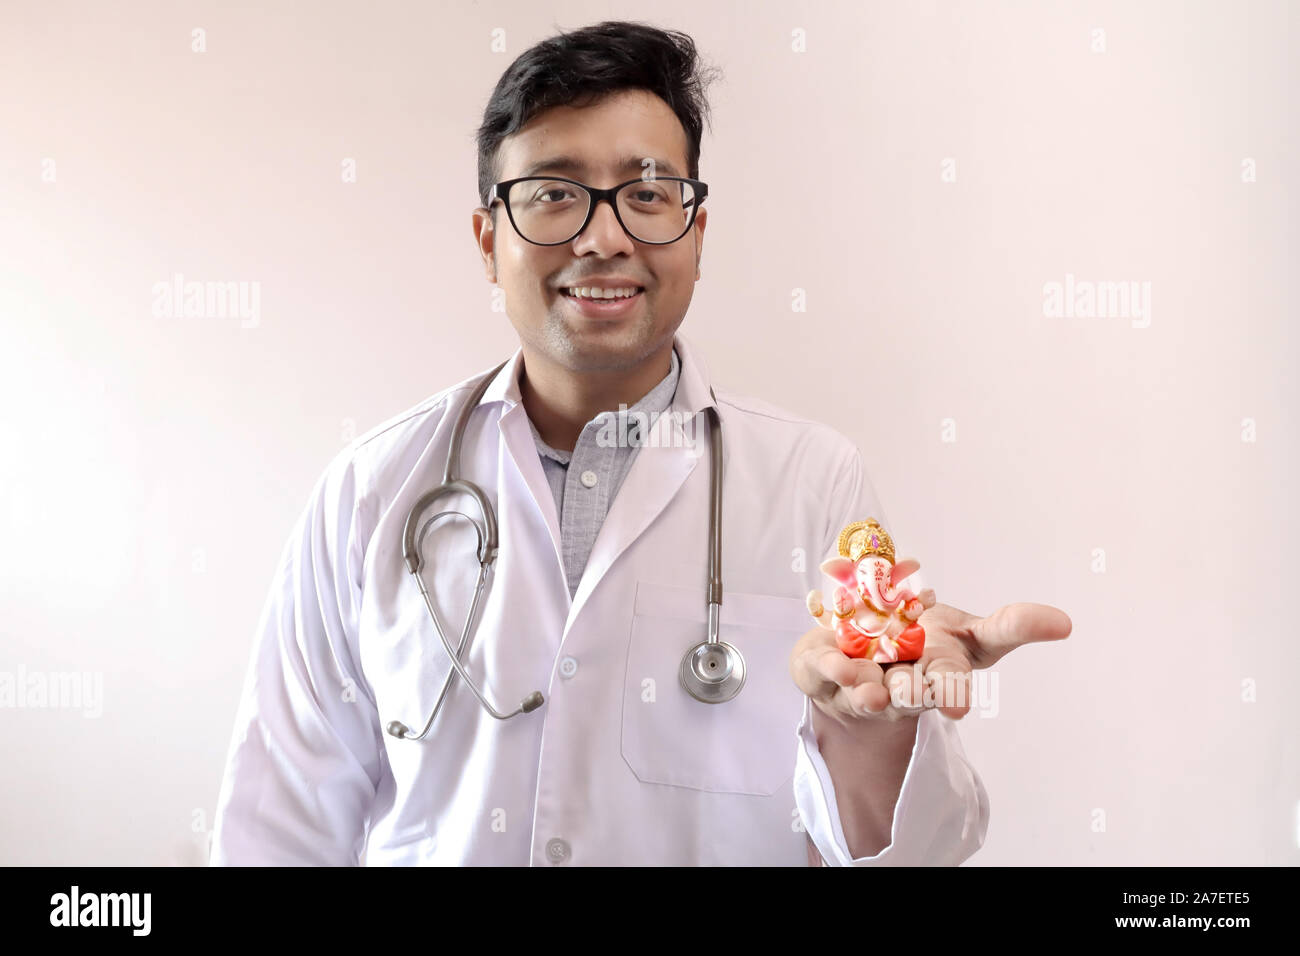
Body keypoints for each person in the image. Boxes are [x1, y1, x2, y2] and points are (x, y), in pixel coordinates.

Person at [210, 20, 1071, 866]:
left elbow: (917, 852)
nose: (603, 236)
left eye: (648, 194)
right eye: (553, 194)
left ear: (696, 234)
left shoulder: (812, 481)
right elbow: (276, 830)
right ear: (487, 242)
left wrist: (868, 733)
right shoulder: (371, 491)